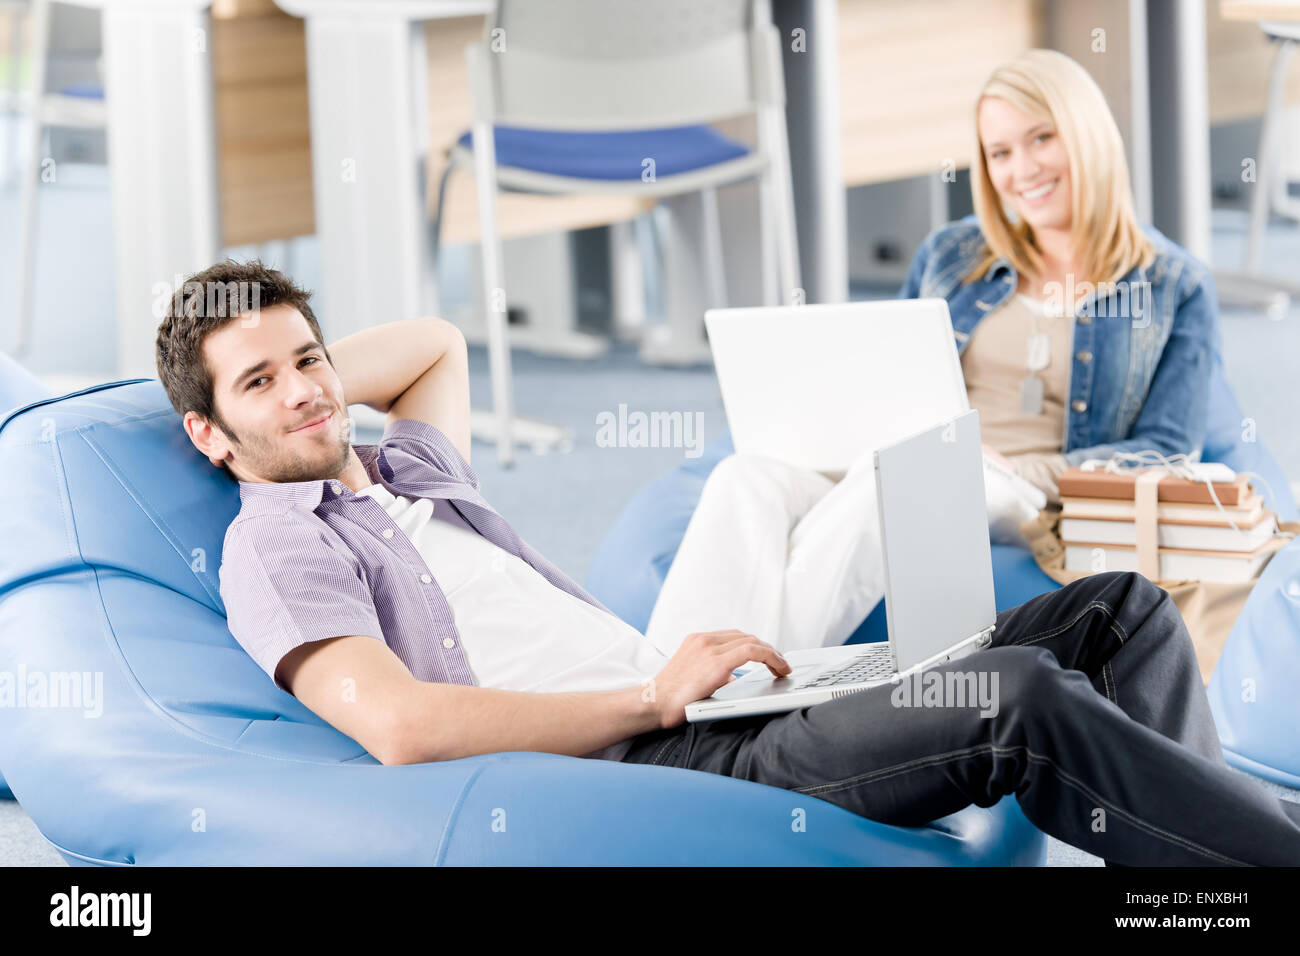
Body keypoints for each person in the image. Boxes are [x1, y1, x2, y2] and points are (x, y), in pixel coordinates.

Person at [157, 259, 1300, 866]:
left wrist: (284, 382)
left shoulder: (398, 464)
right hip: (667, 751)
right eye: (258, 384)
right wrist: (649, 694)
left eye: (309, 359)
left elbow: (434, 345)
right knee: (1014, 699)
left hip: (721, 690)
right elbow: (398, 724)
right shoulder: (279, 543)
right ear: (207, 435)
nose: (307, 388)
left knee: (1122, 610)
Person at [644, 48, 1222, 658]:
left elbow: (1165, 452)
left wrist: (1012, 464)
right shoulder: (952, 253)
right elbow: (883, 370)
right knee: (747, 478)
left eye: (1041, 138)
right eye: (1000, 153)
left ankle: (742, 695)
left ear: (1087, 135)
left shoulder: (1171, 284)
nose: (1022, 169)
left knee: (899, 479)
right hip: (898, 457)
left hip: (1020, 490)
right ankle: (655, 691)